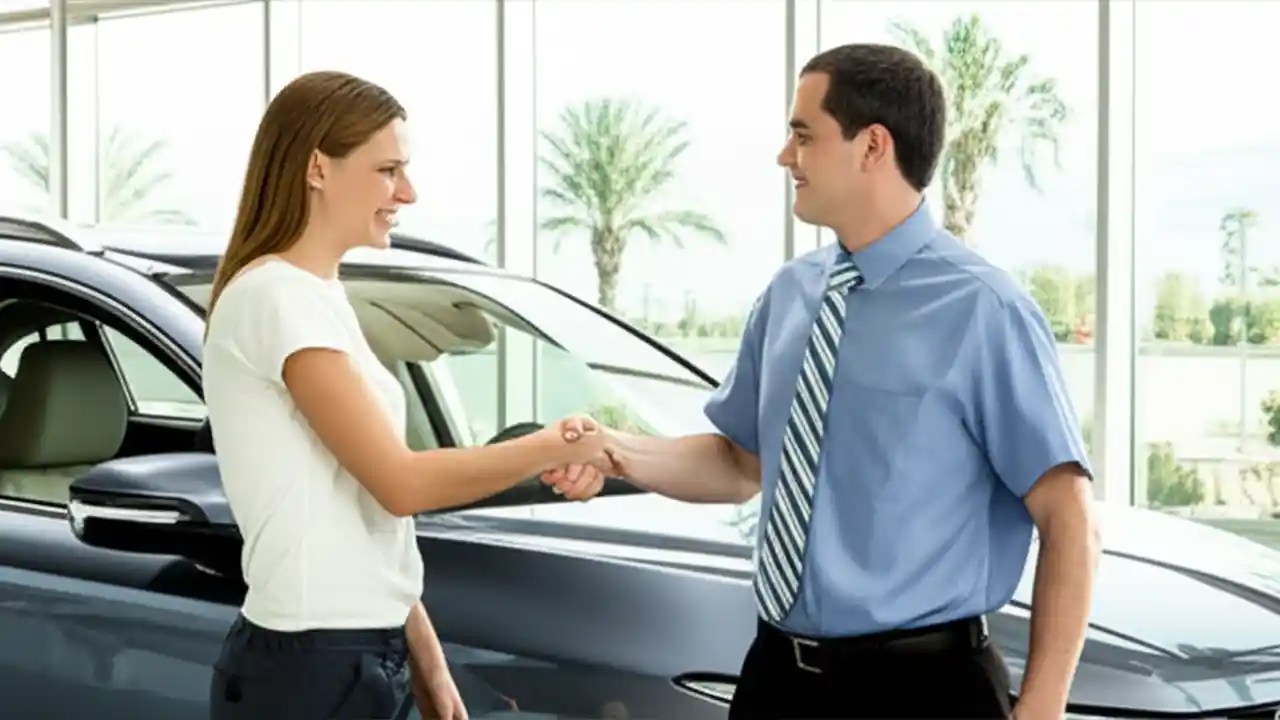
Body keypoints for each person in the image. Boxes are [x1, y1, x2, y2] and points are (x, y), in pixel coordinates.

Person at [542, 43, 1101, 720]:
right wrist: (614, 450)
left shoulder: (984, 310)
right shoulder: (789, 295)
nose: (785, 156)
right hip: (778, 680)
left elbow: (1067, 516)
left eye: (803, 135)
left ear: (872, 146)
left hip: (925, 692)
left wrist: (1041, 709)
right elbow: (741, 462)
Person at [201, 70, 608, 720]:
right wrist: (548, 446)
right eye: (388, 169)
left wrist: (426, 660)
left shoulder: (317, 296)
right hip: (310, 667)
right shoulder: (275, 298)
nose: (408, 192)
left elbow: (367, 512)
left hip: (353, 655)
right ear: (317, 168)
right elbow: (400, 483)